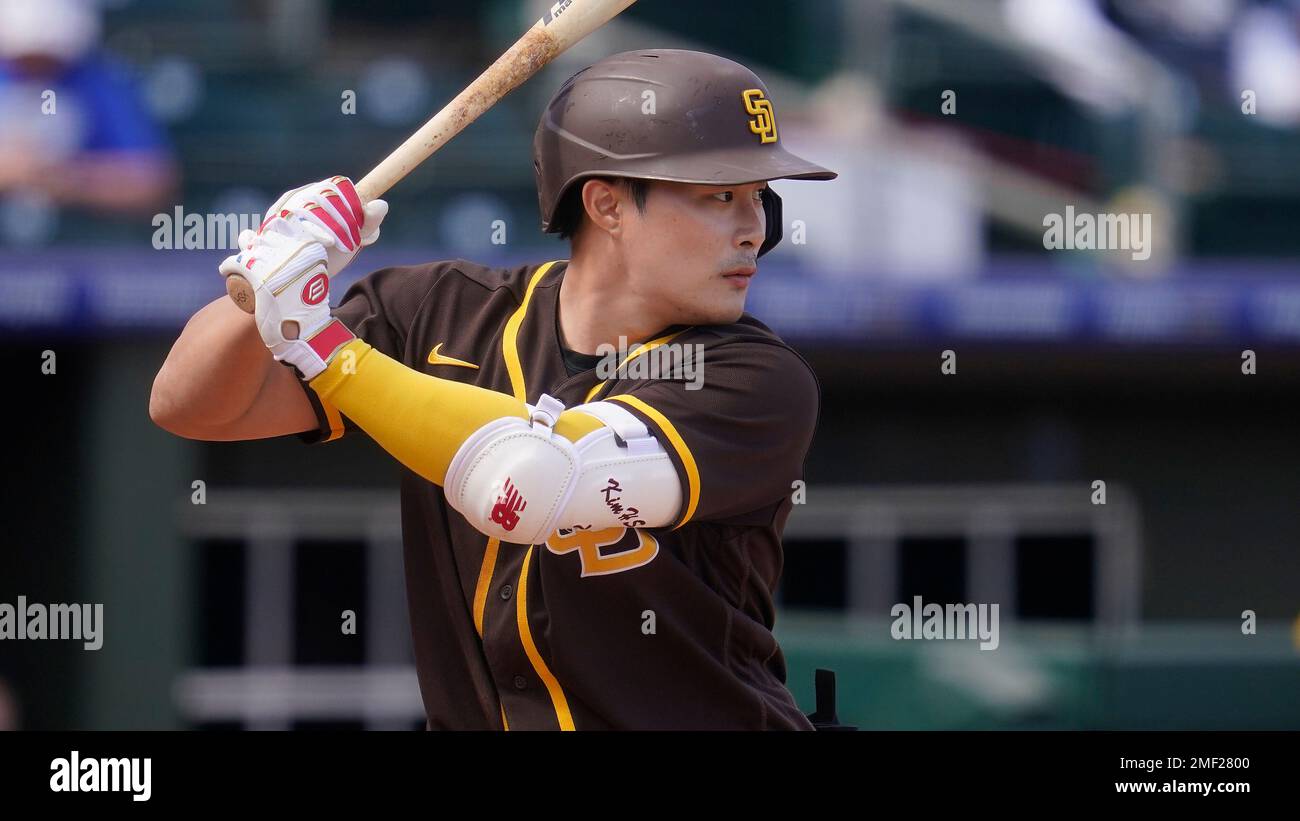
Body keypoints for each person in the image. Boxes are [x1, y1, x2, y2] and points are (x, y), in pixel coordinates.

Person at [151, 49, 837, 730]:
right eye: (721, 196)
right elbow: (187, 405)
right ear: (606, 204)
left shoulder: (757, 379)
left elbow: (533, 485)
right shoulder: (440, 310)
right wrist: (264, 282)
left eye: (759, 197)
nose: (756, 229)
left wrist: (325, 348)